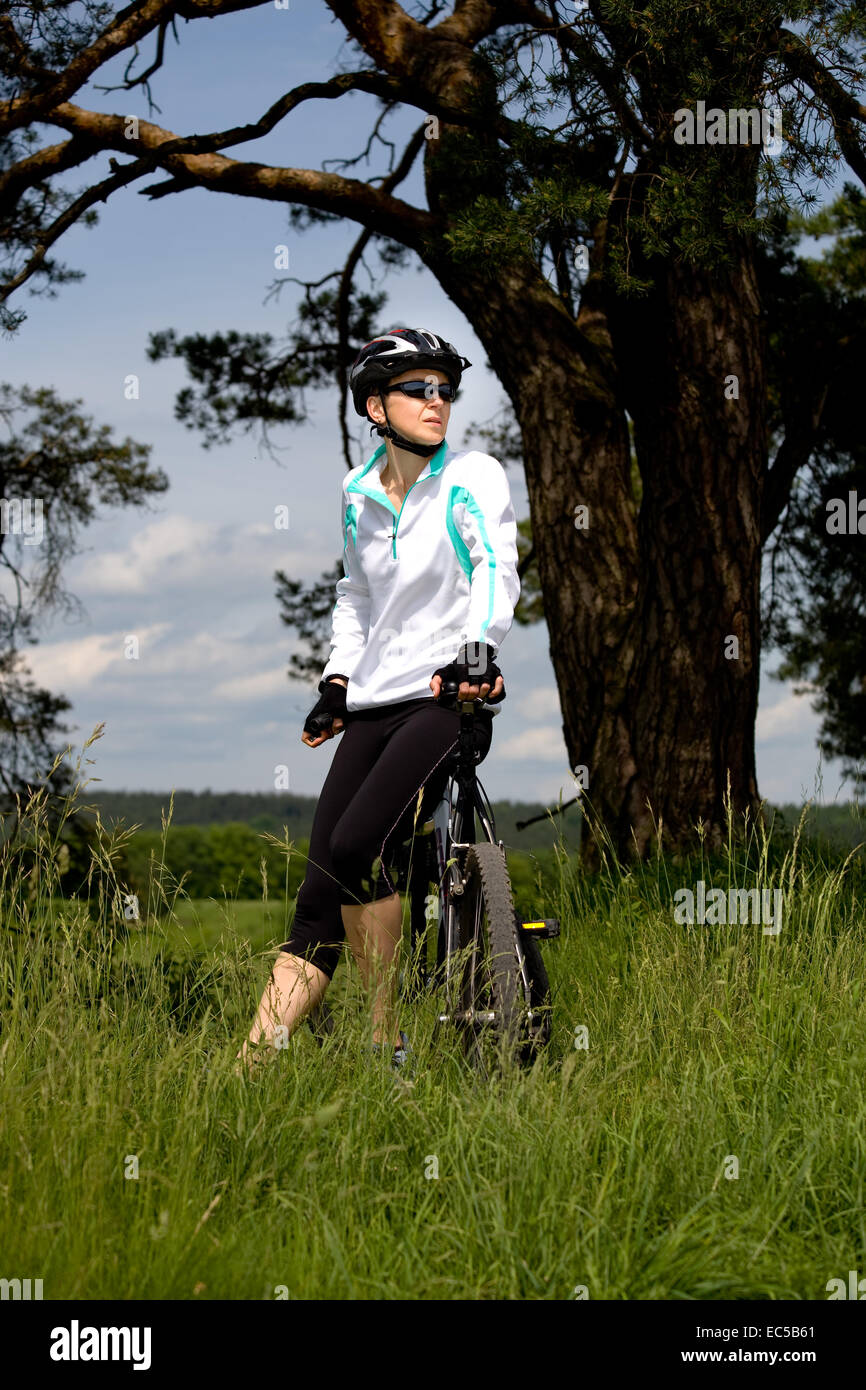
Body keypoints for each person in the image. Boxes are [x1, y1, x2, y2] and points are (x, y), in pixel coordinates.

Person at [237, 327, 520, 1072]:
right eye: (418, 389)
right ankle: (247, 1067)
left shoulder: (475, 475)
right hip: (373, 701)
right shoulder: (355, 491)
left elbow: (494, 563)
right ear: (375, 405)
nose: (438, 402)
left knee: (361, 844)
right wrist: (337, 681)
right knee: (321, 883)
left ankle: (385, 1037)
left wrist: (478, 647)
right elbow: (356, 595)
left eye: (445, 389)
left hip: (444, 698)